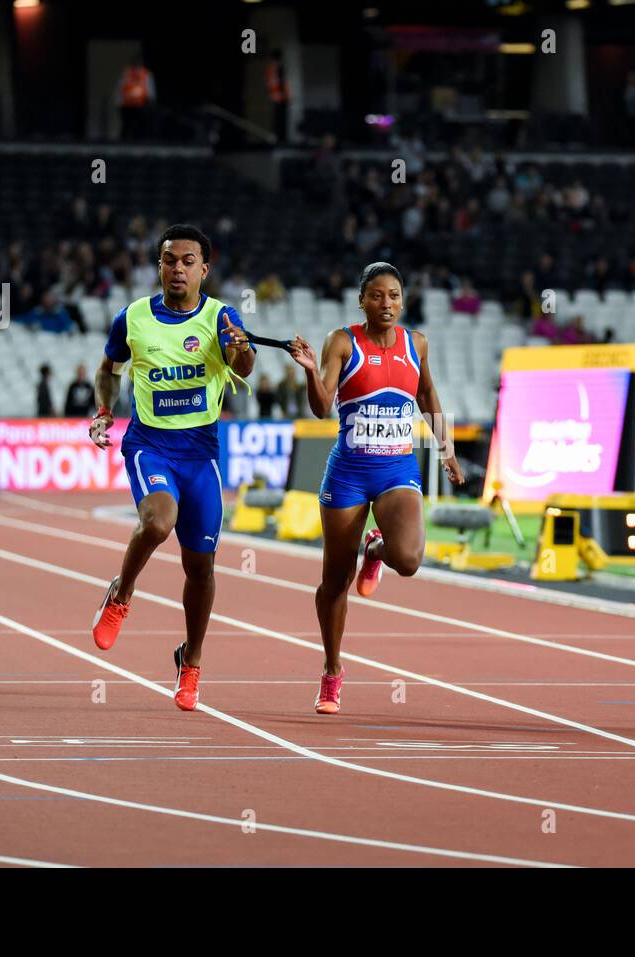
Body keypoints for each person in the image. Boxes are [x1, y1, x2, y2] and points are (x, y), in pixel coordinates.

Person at [88, 224, 256, 712]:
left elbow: (242, 367)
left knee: (200, 567)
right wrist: (104, 412)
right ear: (158, 266)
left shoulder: (222, 316)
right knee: (158, 522)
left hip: (200, 455)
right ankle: (121, 593)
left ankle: (191, 659)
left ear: (205, 269)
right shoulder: (132, 318)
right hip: (149, 446)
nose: (177, 268)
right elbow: (107, 369)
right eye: (168, 260)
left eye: (187, 261)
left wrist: (239, 345)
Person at [288, 262, 464, 714]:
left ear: (402, 300)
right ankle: (332, 671)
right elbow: (323, 407)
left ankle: (377, 550)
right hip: (348, 472)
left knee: (408, 559)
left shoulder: (416, 343)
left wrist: (446, 449)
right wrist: (311, 369)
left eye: (394, 296)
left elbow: (427, 395)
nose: (386, 303)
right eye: (377, 296)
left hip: (396, 471)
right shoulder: (342, 341)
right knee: (335, 582)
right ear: (362, 301)